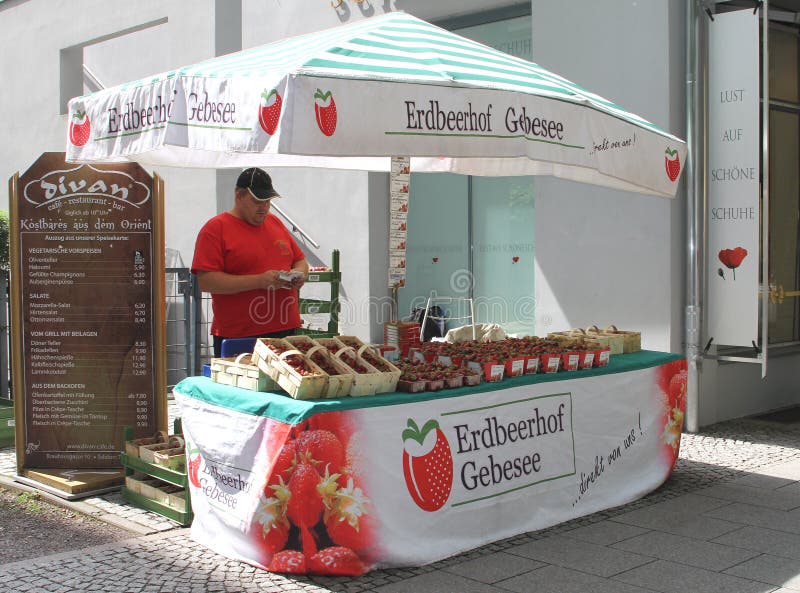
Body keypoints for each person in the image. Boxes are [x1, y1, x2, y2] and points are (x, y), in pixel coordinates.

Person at [192, 167, 309, 358]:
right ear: (239, 196)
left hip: (286, 330)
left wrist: (299, 274)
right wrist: (259, 281)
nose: (263, 207)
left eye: (268, 201)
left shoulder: (275, 223)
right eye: (257, 201)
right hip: (239, 335)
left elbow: (300, 260)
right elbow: (206, 281)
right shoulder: (215, 229)